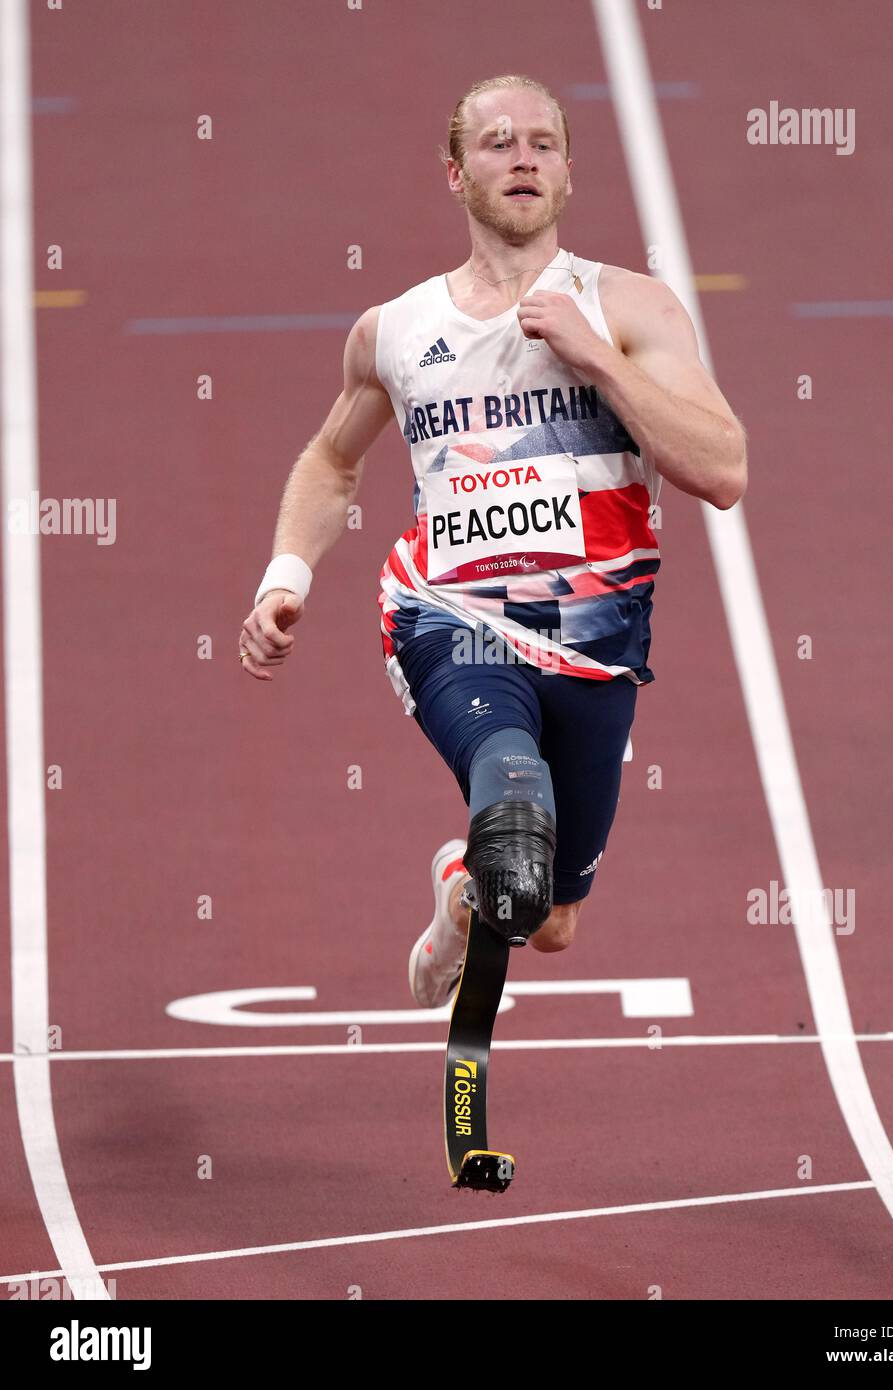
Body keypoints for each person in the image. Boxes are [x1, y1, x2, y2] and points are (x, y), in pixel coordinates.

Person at [239, 74, 747, 1009]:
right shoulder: (395, 331)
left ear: (565, 174)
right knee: (512, 796)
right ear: (454, 173)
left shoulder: (630, 307)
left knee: (548, 920)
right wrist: (287, 573)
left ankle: (458, 899)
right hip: (448, 616)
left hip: (591, 644)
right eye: (496, 141)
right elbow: (331, 460)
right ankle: (496, 836)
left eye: (543, 143)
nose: (521, 156)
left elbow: (721, 469)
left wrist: (596, 360)